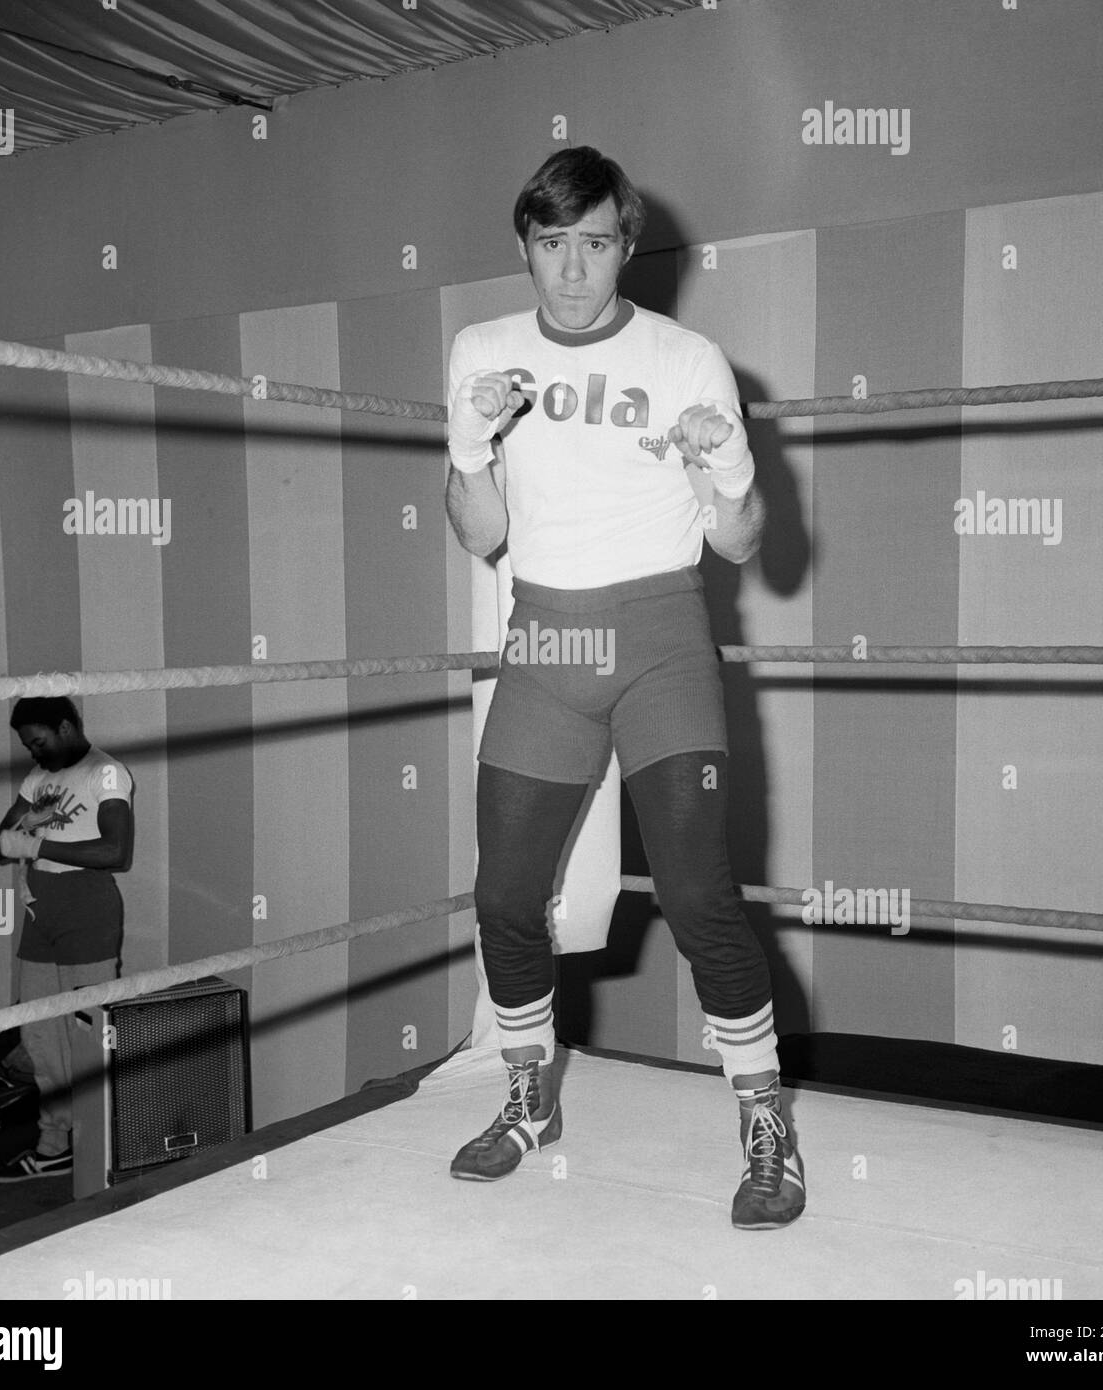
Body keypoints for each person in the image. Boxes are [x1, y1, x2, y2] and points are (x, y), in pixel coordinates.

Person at [444, 147, 804, 1228]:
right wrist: (468, 445)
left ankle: (764, 1123)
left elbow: (743, 548)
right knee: (505, 897)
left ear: (625, 245)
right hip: (545, 639)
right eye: (550, 244)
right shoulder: (483, 350)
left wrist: (729, 473)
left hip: (658, 639)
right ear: (525, 245)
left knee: (698, 896)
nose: (570, 269)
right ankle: (526, 1095)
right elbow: (483, 532)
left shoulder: (689, 358)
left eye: (594, 243)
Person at [0, 697, 133, 1181]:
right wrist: (20, 831)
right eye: (28, 745)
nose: (33, 751)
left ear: (66, 727)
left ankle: (98, 1148)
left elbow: (116, 850)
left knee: (85, 1036)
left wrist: (36, 842)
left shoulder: (106, 773)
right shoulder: (39, 779)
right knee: (40, 1033)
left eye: (39, 741)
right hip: (40, 911)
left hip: (86, 908)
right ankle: (55, 1143)